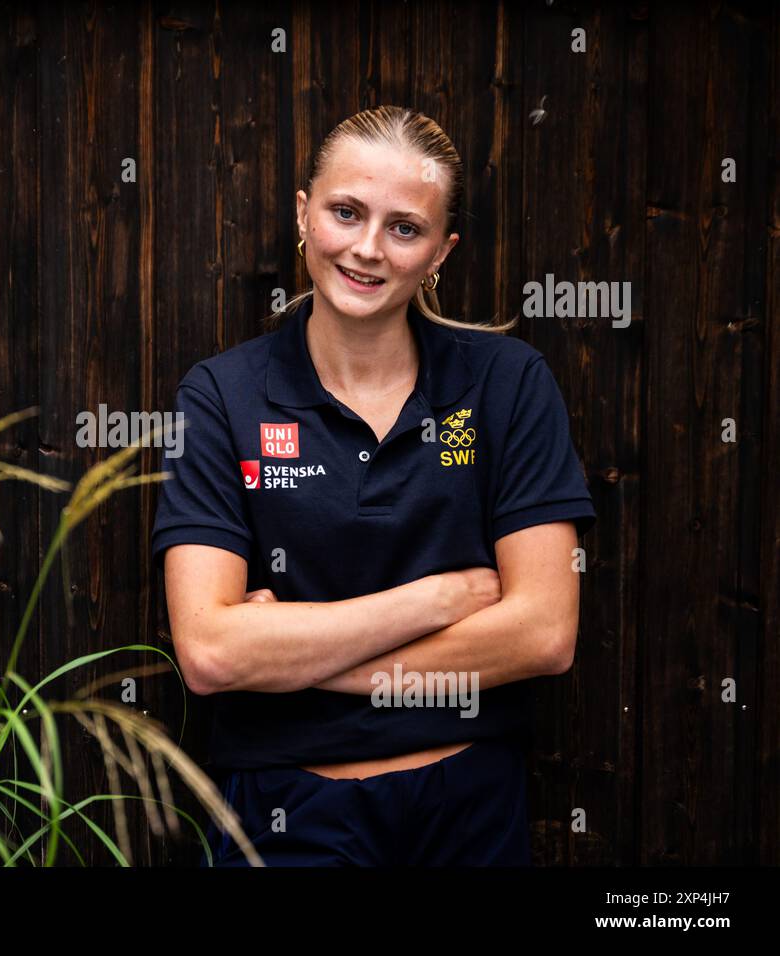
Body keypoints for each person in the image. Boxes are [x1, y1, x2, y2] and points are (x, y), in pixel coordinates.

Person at [150, 105, 596, 866]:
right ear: (303, 213)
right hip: (285, 813)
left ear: (440, 252)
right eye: (346, 212)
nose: (366, 249)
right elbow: (212, 655)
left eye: (404, 227)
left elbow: (545, 635)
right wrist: (438, 601)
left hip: (468, 807)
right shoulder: (222, 395)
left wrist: (294, 656)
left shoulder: (508, 384)